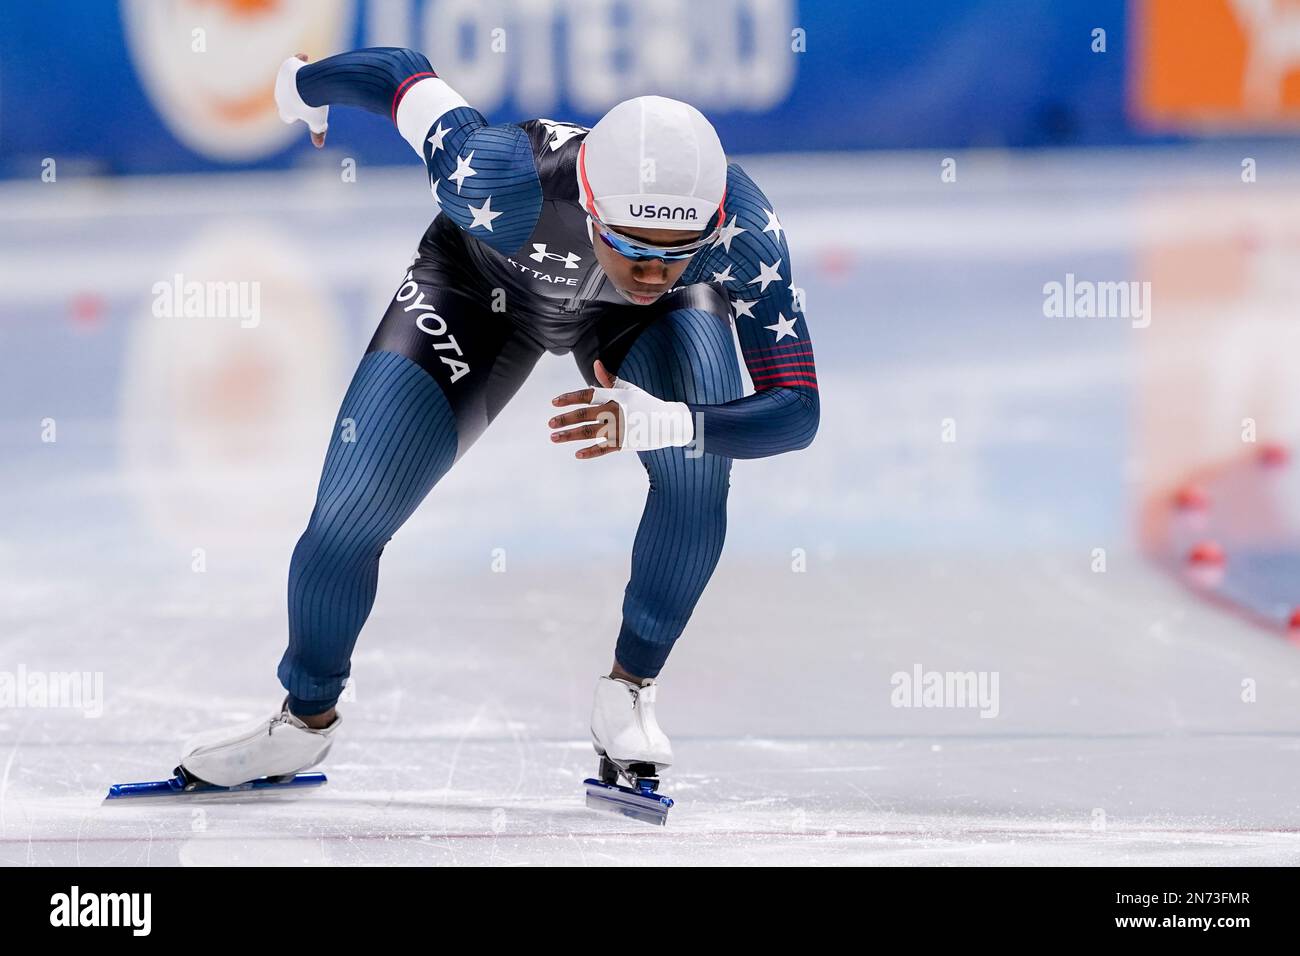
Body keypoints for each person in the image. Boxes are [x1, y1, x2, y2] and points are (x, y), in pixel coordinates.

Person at [180, 47, 819, 800]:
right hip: (480, 290)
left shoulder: (744, 232)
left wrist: (673, 422)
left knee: (697, 468)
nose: (652, 274)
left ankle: (628, 693)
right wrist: (298, 85)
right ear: (590, 205)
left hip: (640, 329)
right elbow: (399, 76)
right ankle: (304, 717)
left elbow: (797, 411)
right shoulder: (496, 176)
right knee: (348, 516)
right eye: (632, 248)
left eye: (678, 254)